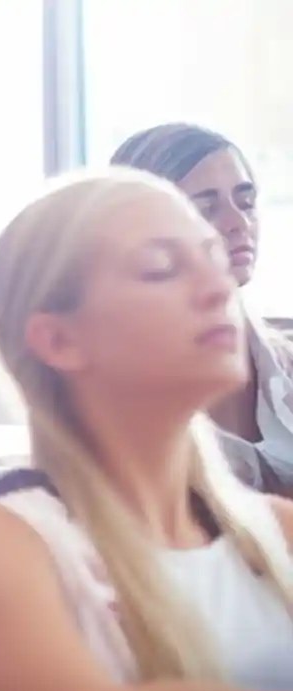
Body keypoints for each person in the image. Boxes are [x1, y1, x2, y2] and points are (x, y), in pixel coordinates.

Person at [0, 167, 293, 691]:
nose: (218, 288)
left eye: (213, 259)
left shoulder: (277, 530)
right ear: (58, 340)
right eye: (161, 269)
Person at [112, 124, 293, 498]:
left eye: (245, 203)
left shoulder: (285, 359)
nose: (238, 224)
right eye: (205, 210)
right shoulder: (118, 390)